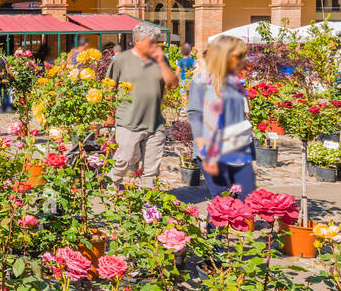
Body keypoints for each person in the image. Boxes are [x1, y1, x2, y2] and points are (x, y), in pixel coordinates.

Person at [105, 22, 179, 188]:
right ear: (137, 41)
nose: (156, 45)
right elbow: (109, 89)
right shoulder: (121, 60)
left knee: (151, 169)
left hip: (155, 122)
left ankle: (147, 201)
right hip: (128, 121)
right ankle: (111, 186)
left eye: (157, 41)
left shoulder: (161, 59)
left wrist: (161, 61)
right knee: (124, 159)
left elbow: (173, 84)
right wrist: (109, 115)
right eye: (151, 41)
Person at [188, 36, 256, 199]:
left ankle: (225, 223)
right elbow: (195, 115)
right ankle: (215, 225)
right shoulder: (202, 81)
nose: (243, 60)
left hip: (238, 149)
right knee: (223, 198)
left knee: (243, 195)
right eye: (239, 56)